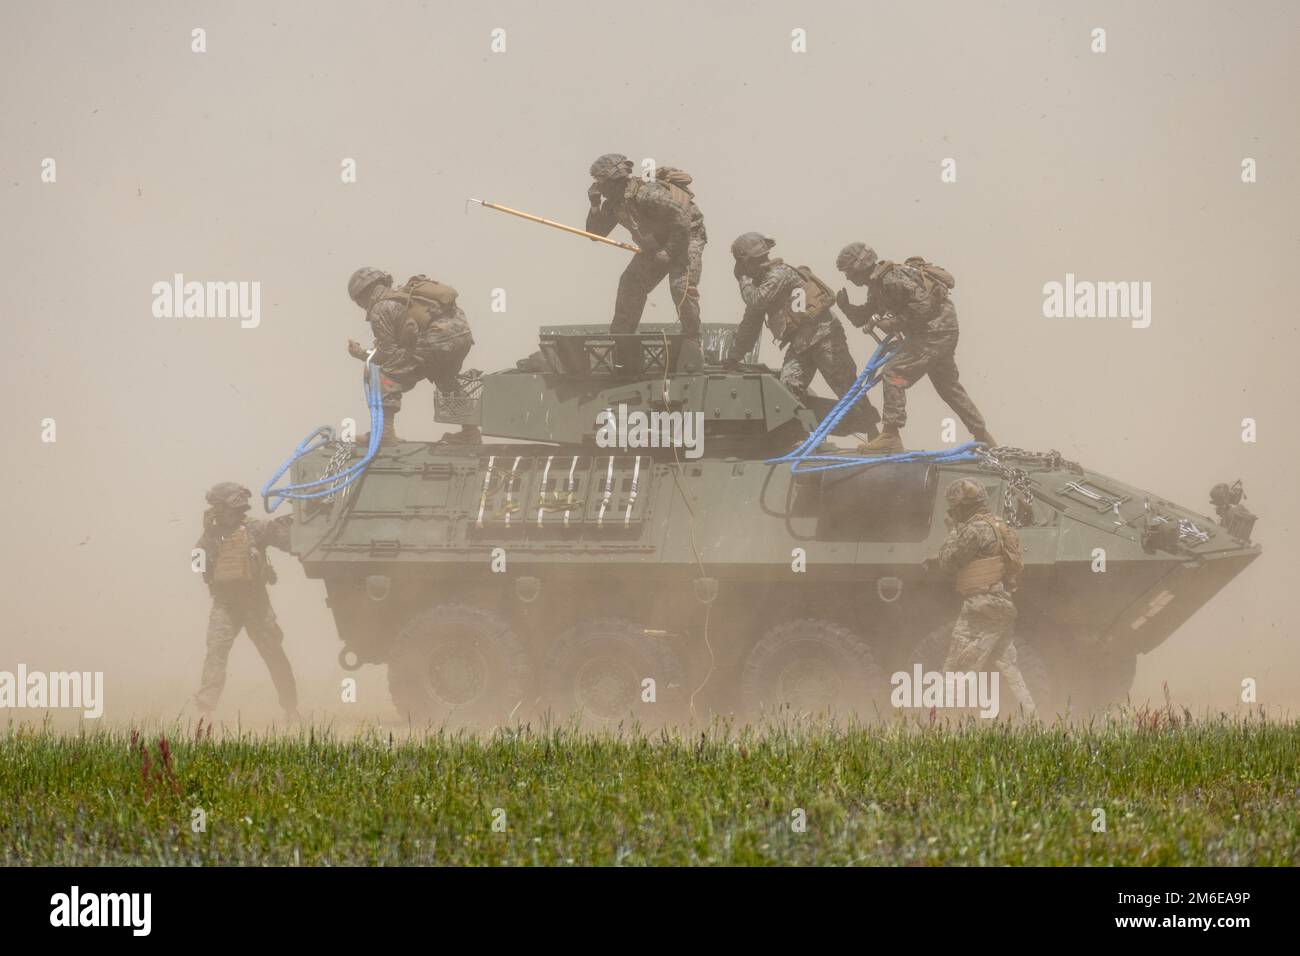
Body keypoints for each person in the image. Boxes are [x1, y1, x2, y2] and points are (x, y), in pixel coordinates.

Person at [835, 242, 995, 454]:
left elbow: (923, 306)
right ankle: (983, 435)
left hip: (935, 333)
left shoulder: (891, 279)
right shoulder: (877, 286)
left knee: (894, 373)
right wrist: (846, 308)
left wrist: (891, 324)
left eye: (848, 271)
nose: (847, 277)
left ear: (859, 266)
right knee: (948, 387)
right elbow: (864, 316)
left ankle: (891, 435)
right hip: (938, 333)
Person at [728, 232, 879, 435]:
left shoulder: (778, 274)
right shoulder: (763, 282)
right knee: (788, 389)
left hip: (824, 336)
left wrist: (743, 280)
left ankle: (874, 434)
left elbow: (756, 300)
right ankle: (802, 437)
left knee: (845, 386)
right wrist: (734, 357)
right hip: (800, 344)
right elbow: (750, 325)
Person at [585, 153, 706, 368]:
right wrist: (595, 205)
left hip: (686, 238)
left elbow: (683, 218)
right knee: (631, 284)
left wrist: (668, 253)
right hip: (655, 245)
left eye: (600, 181)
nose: (598, 186)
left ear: (614, 180)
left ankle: (692, 342)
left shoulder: (647, 193)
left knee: (681, 287)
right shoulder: (614, 203)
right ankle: (620, 342)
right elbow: (596, 233)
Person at [193, 482, 299, 720]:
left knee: (273, 653)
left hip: (256, 604)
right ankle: (204, 713)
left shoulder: (254, 529)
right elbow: (196, 564)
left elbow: (289, 540)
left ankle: (291, 709)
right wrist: (209, 536)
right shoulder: (211, 533)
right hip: (225, 605)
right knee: (216, 653)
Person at [935, 478, 1036, 717]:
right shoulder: (1000, 526)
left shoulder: (973, 529)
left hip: (981, 605)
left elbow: (948, 562)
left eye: (955, 507)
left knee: (959, 664)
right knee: (1008, 667)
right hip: (1000, 603)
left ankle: (944, 724)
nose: (953, 511)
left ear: (964, 505)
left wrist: (952, 531)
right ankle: (1030, 721)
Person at [346, 267, 479, 445]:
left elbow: (388, 352)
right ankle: (470, 433)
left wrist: (362, 354)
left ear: (362, 294)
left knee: (385, 375)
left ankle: (384, 434)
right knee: (445, 378)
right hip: (461, 338)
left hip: (435, 341)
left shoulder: (381, 307)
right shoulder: (402, 297)